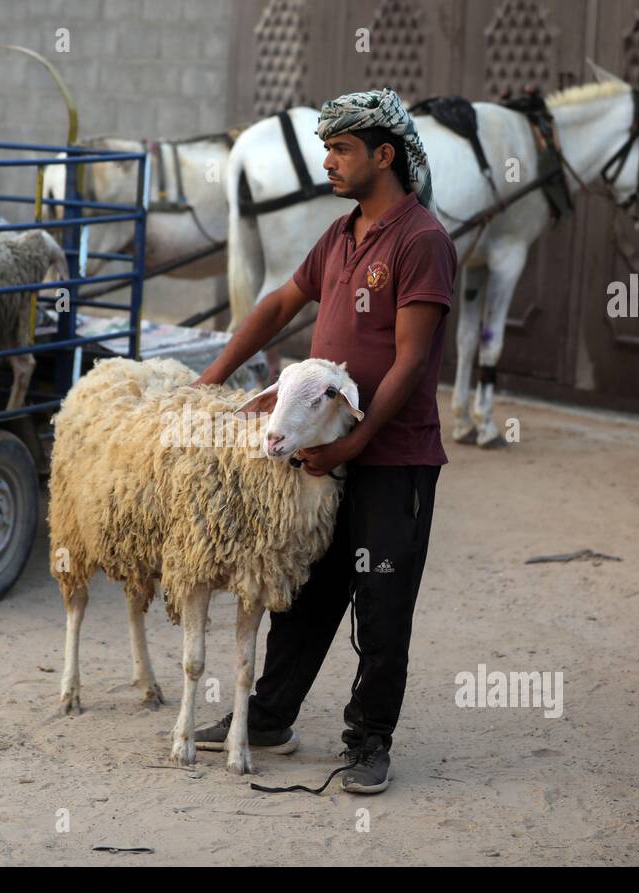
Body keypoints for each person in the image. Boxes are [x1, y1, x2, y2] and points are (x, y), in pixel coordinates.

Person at [191, 88, 458, 793]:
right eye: (326, 149)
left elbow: (408, 362)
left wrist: (353, 443)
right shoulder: (342, 235)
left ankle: (369, 741)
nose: (329, 163)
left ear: (384, 155)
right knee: (308, 589)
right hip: (328, 454)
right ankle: (271, 715)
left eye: (341, 150)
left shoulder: (421, 240)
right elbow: (281, 303)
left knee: (381, 601)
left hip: (393, 459)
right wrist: (214, 376)